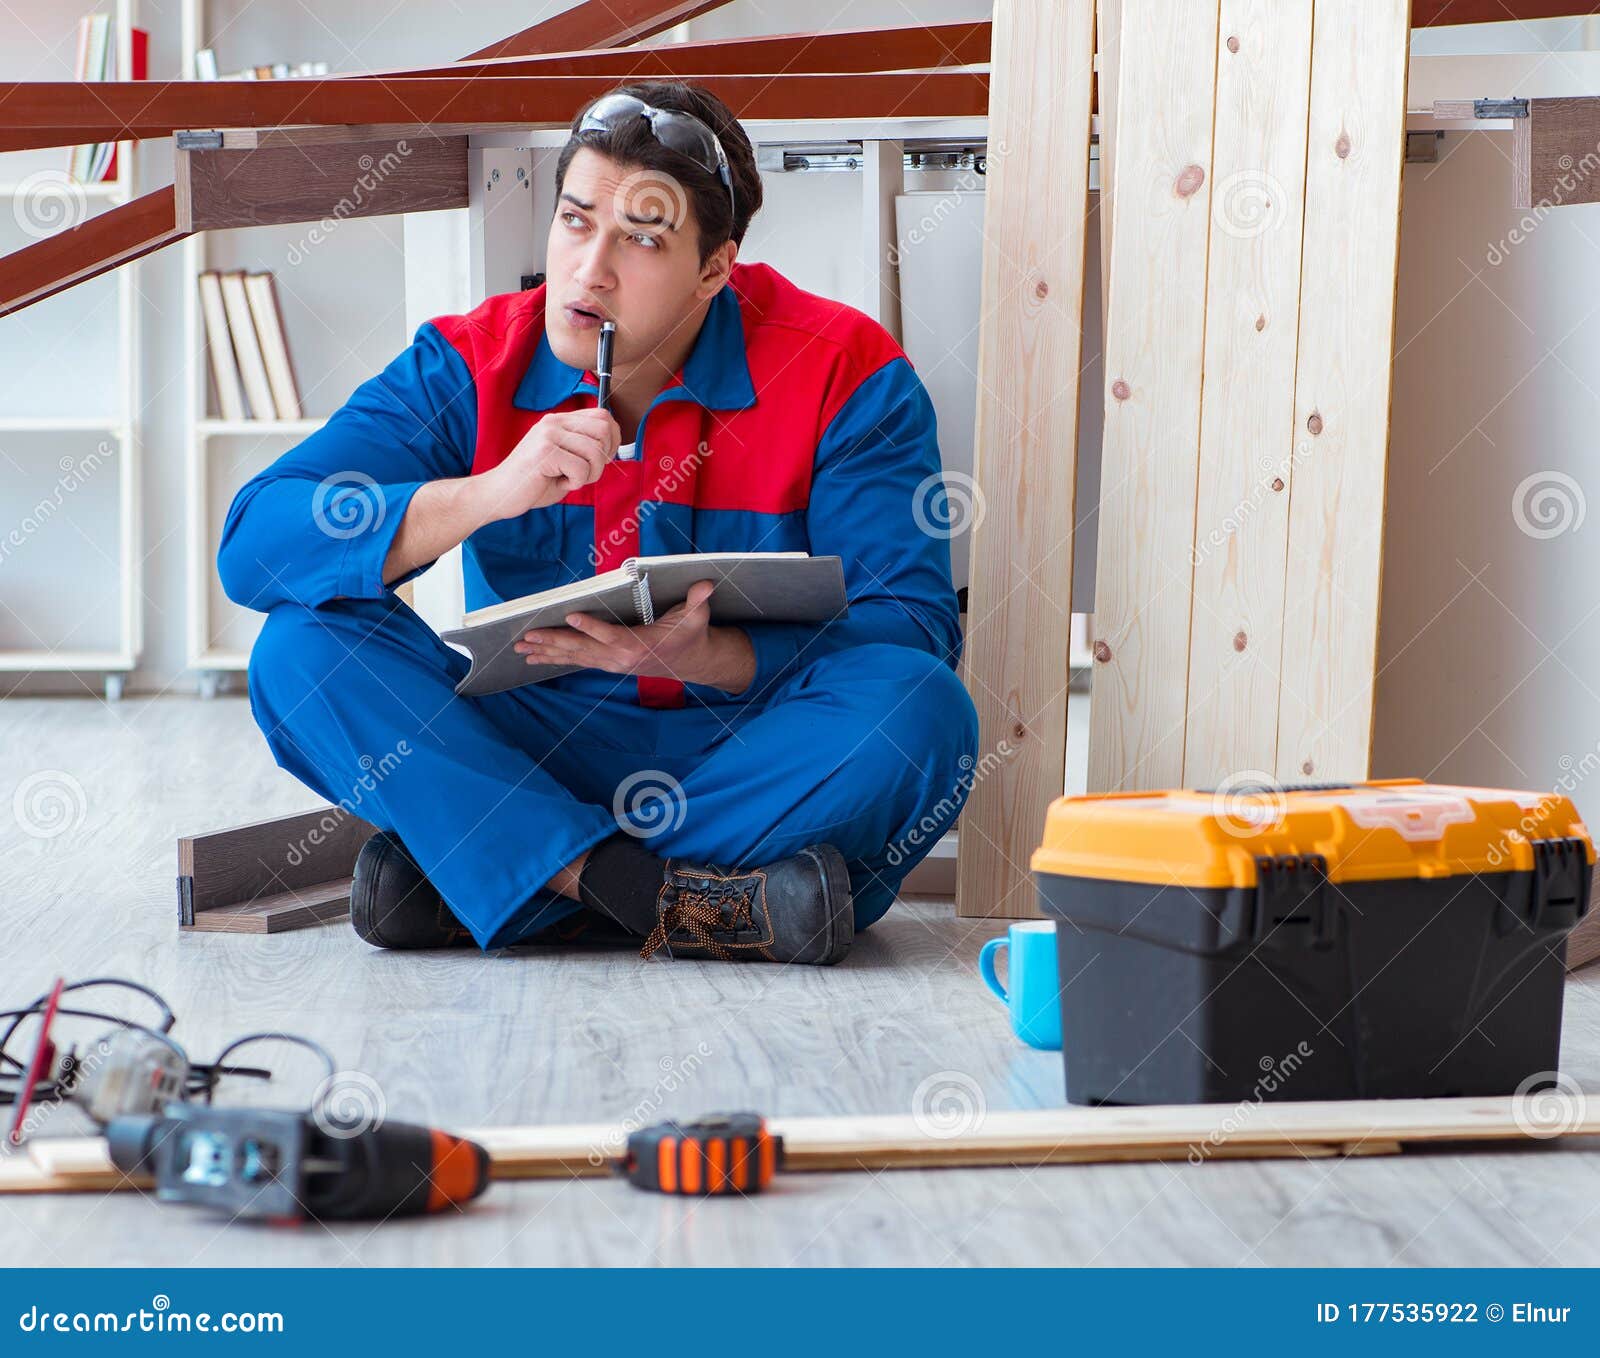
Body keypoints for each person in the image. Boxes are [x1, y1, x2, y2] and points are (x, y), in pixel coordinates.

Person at [218, 81, 979, 965]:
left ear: (714, 269)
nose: (589, 270)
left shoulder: (844, 370)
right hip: (533, 749)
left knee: (921, 712)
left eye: (641, 240)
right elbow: (256, 545)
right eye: (576, 222)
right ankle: (688, 902)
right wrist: (488, 493)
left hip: (746, 749)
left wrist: (723, 658)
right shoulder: (470, 359)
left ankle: (511, 876)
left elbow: (912, 630)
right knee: (301, 654)